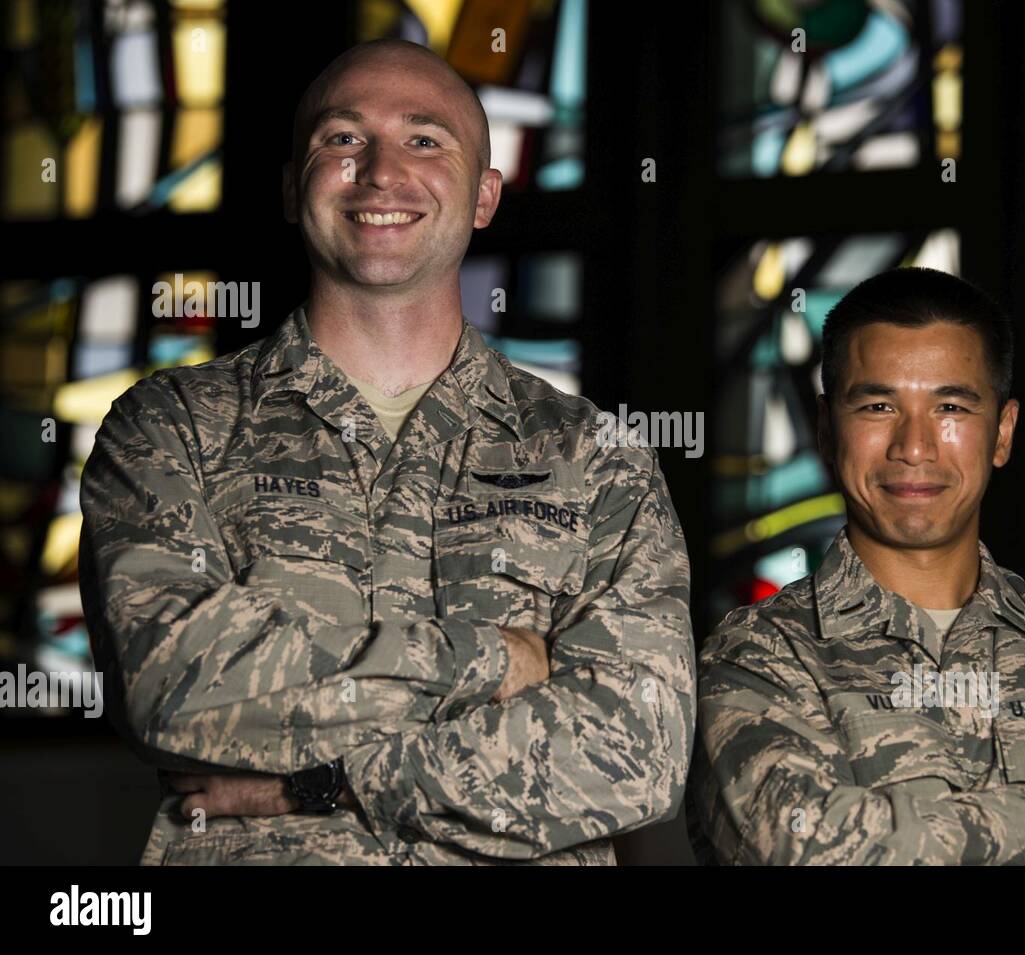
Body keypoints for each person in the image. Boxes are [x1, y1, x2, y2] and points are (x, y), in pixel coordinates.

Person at [79, 39, 694, 865]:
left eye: (425, 139)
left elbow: (640, 756)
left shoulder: (596, 456)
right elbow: (172, 683)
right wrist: (497, 663)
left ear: (483, 198)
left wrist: (317, 782)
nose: (378, 172)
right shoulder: (173, 427)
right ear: (293, 189)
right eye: (342, 139)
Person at [687, 267, 1025, 865]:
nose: (914, 447)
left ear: (1002, 432)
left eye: (950, 405)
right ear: (824, 429)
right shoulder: (756, 659)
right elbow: (813, 852)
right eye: (876, 405)